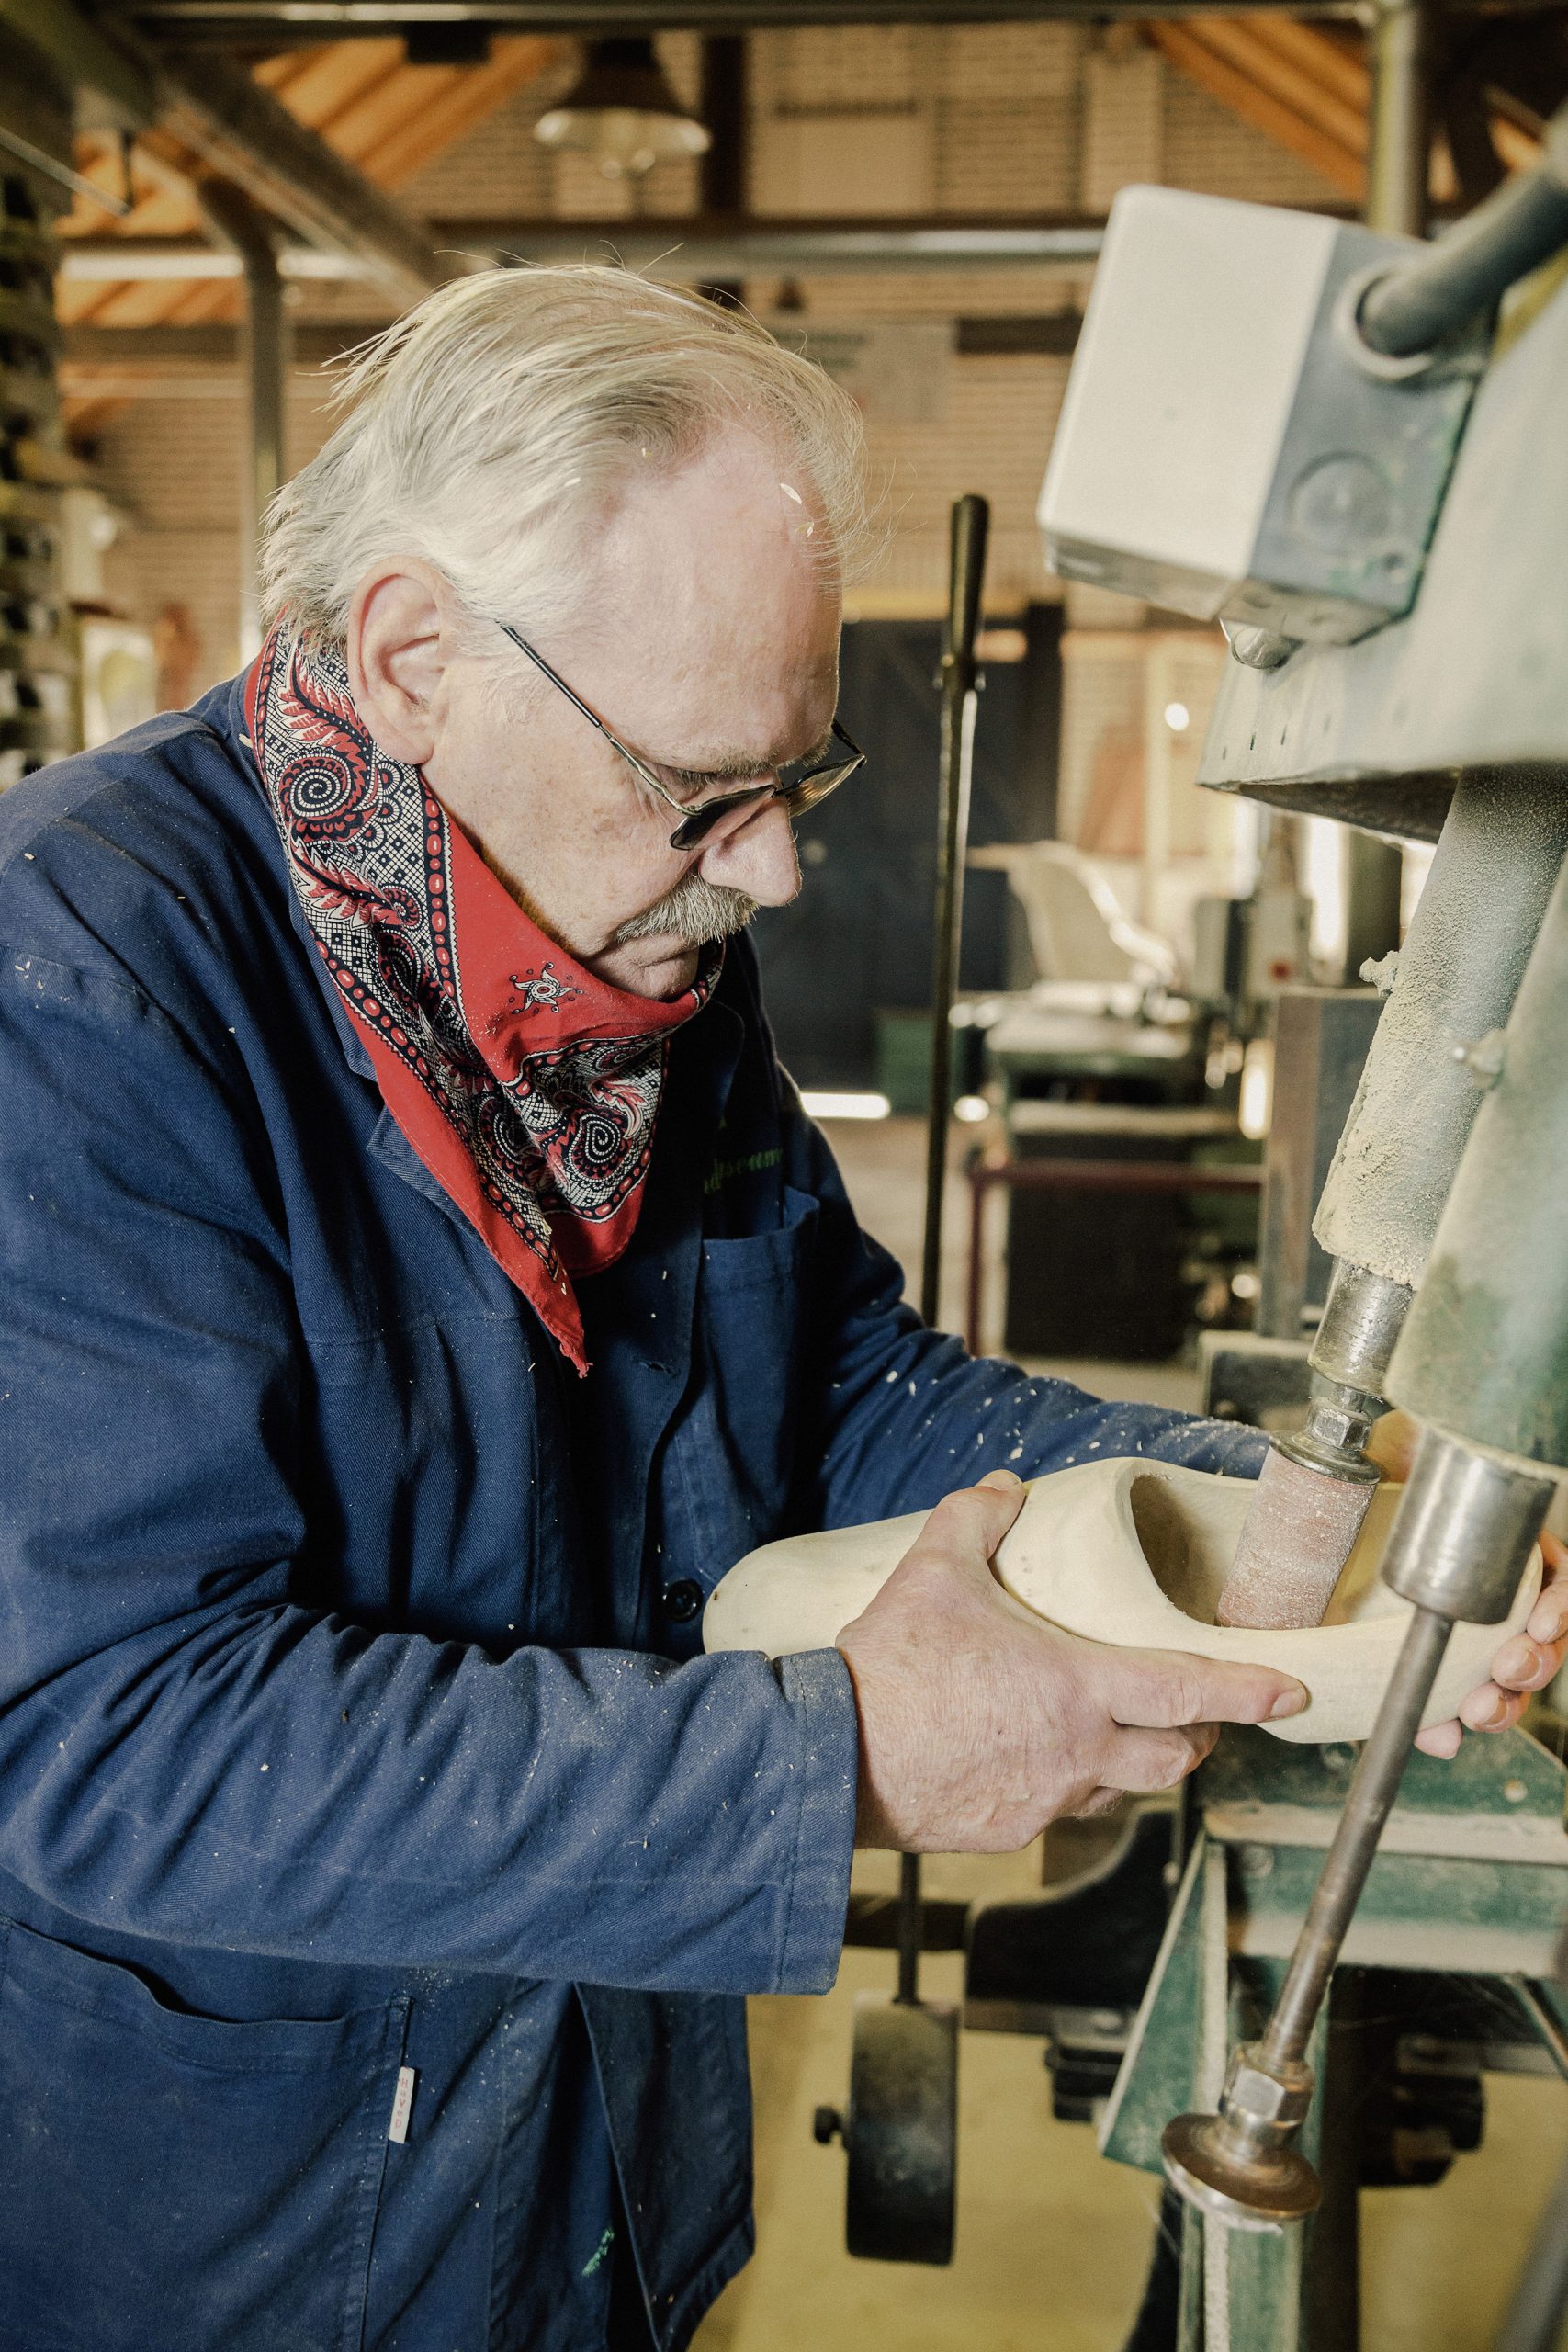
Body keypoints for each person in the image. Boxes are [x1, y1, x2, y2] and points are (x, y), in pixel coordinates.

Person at [0, 269, 1560, 2352]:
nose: (776, 874)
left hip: (602, 2165)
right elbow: (113, 1735)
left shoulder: (639, 936)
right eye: (701, 786)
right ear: (410, 659)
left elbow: (818, 1375)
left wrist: (1273, 1526)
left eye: (796, 776)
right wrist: (821, 1761)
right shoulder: (81, 989)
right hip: (254, 2224)